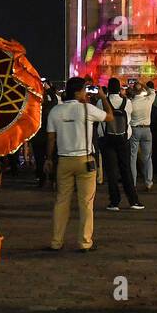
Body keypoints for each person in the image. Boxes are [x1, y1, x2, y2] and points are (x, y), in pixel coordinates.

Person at [44, 76, 114, 251]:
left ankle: (56, 241)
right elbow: (110, 117)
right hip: (85, 161)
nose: (85, 93)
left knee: (61, 202)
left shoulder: (55, 111)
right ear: (78, 92)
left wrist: (49, 159)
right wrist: (104, 98)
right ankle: (84, 242)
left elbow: (51, 138)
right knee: (86, 203)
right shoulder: (87, 109)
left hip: (64, 160)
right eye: (84, 89)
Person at [98, 78, 143, 211]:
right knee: (126, 170)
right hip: (123, 140)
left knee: (111, 172)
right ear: (119, 89)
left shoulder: (101, 102)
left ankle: (114, 202)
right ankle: (133, 200)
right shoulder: (127, 102)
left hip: (107, 140)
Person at [127, 80, 156, 190]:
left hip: (134, 130)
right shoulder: (148, 100)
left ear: (134, 91)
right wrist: (144, 85)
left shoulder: (131, 103)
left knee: (132, 157)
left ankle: (133, 183)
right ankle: (148, 182)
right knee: (147, 157)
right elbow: (152, 91)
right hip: (147, 130)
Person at [33, 80, 58, 188]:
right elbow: (55, 100)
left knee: (39, 160)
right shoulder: (48, 107)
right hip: (48, 137)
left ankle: (41, 180)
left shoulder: (33, 108)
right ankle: (52, 179)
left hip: (37, 137)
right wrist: (48, 89)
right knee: (51, 158)